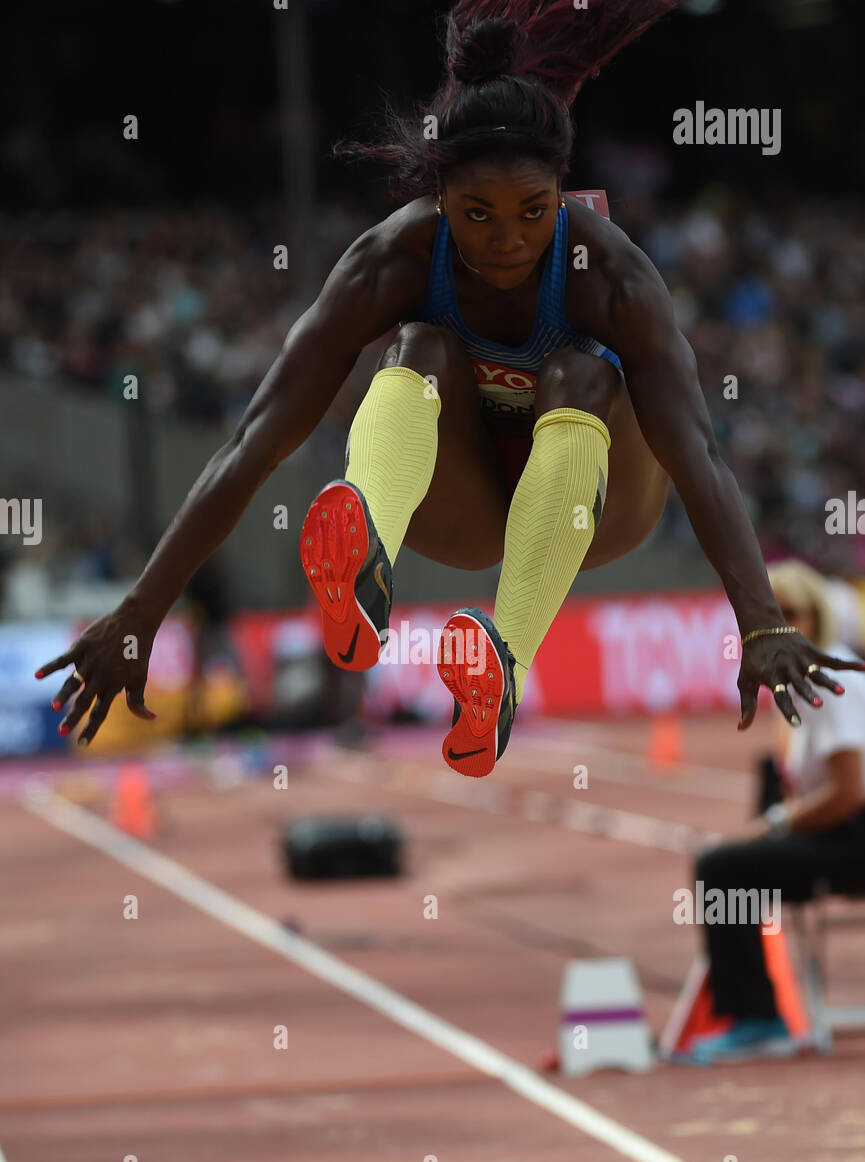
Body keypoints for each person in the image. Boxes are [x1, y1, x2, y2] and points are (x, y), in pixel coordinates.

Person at [35, 0, 865, 775]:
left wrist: (760, 621)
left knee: (577, 371)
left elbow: (701, 458)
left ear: (561, 190)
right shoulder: (390, 261)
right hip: (462, 503)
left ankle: (501, 662)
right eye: (476, 215)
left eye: (532, 212)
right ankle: (366, 563)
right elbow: (255, 440)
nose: (506, 240)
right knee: (418, 346)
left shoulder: (610, 275)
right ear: (439, 196)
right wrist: (140, 613)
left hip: (596, 505)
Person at [684, 561, 865, 1064]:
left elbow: (850, 793)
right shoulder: (800, 678)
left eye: (795, 614)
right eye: (774, 618)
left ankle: (758, 1021)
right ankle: (754, 1015)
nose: (786, 627)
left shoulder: (829, 679)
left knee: (721, 871)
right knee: (730, 864)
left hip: (854, 839)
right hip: (839, 835)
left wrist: (778, 825)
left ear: (819, 616)